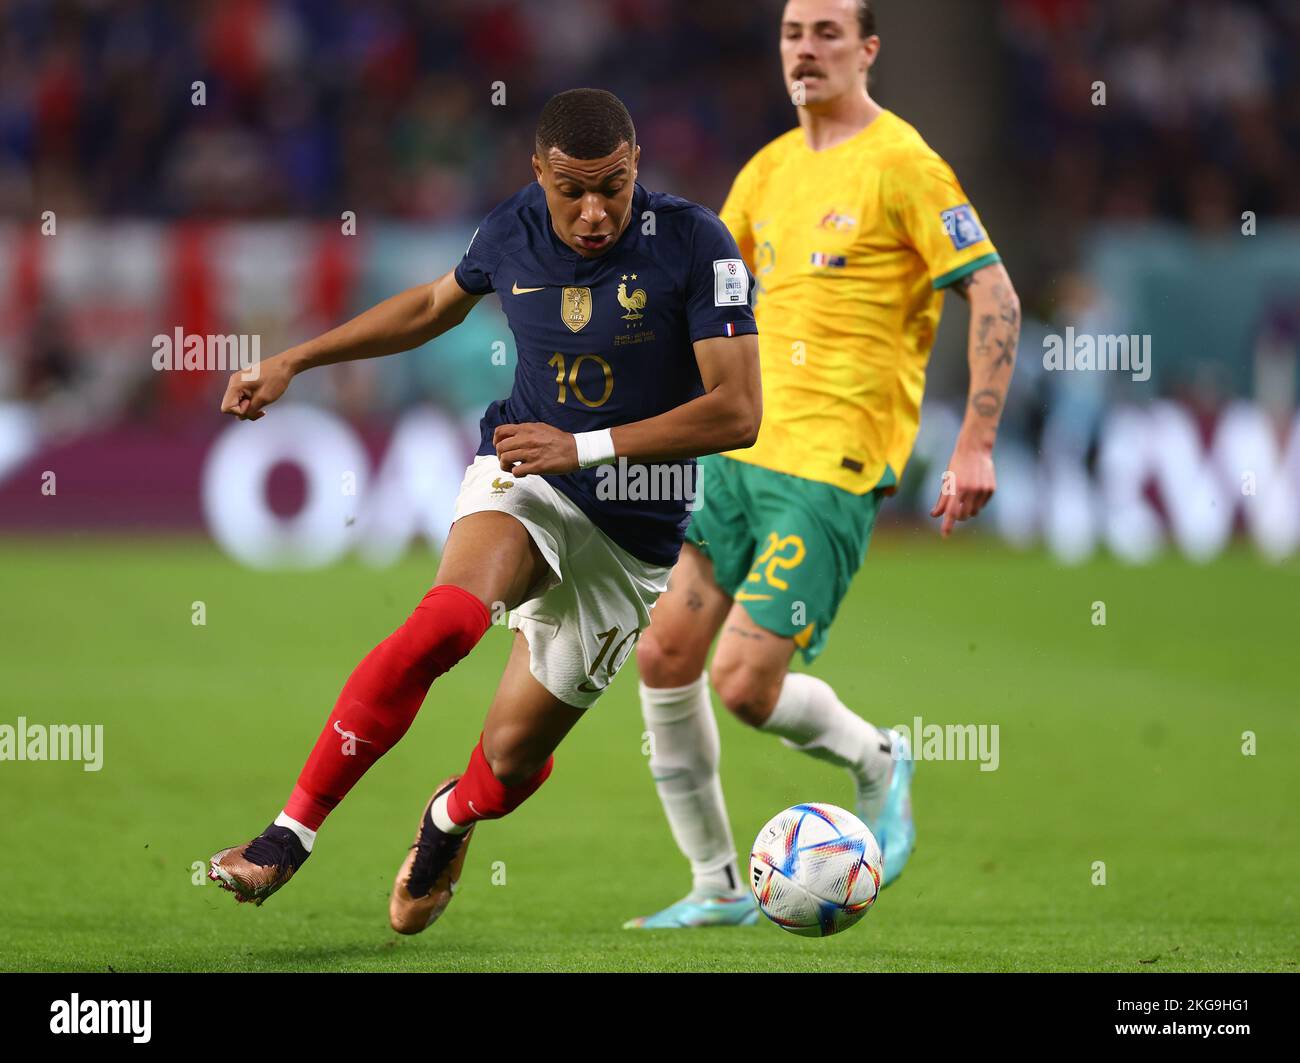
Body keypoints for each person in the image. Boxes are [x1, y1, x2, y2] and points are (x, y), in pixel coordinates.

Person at [207, 88, 761, 934]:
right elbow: (434, 305)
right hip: (525, 480)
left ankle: (448, 819)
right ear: (538, 172)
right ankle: (290, 832)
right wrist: (294, 360)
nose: (591, 210)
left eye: (610, 185)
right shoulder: (512, 227)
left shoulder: (694, 242)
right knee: (445, 624)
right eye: (570, 188)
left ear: (636, 165)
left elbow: (738, 411)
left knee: (508, 763)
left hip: (634, 532)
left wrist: (586, 446)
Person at [625, 0, 1021, 929]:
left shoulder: (904, 165)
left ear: (867, 50)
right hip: (740, 451)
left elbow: (994, 294)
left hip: (832, 465)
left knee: (742, 683)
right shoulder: (765, 171)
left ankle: (878, 757)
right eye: (793, 33)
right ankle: (717, 885)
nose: (806, 48)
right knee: (663, 652)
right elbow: (712, 306)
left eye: (828, 33)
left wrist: (975, 440)